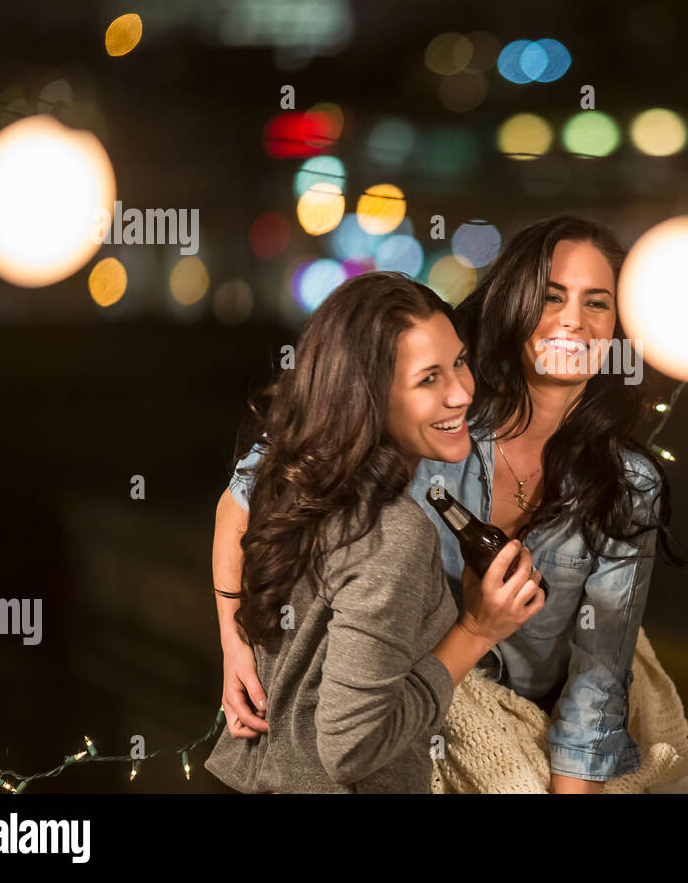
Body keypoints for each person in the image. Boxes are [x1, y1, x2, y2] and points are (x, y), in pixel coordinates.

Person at [216, 216, 688, 793]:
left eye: (598, 303)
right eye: (551, 296)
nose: (573, 320)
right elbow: (249, 492)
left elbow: (595, 684)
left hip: (519, 727)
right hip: (400, 710)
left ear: (619, 327)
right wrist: (234, 646)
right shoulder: (439, 421)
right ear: (514, 302)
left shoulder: (628, 484)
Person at [204, 272, 544, 793]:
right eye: (428, 379)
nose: (461, 393)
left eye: (458, 362)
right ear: (369, 394)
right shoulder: (393, 533)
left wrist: (232, 635)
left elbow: (234, 502)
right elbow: (352, 748)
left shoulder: (287, 479)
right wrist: (476, 630)